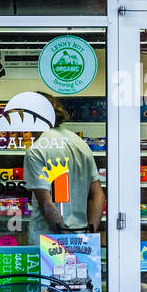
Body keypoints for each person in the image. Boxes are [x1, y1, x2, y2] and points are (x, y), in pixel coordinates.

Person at [22, 93, 104, 246]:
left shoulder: (37, 150)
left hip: (46, 241)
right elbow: (98, 195)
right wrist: (88, 235)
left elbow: (46, 204)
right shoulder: (80, 144)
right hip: (80, 238)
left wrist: (66, 239)